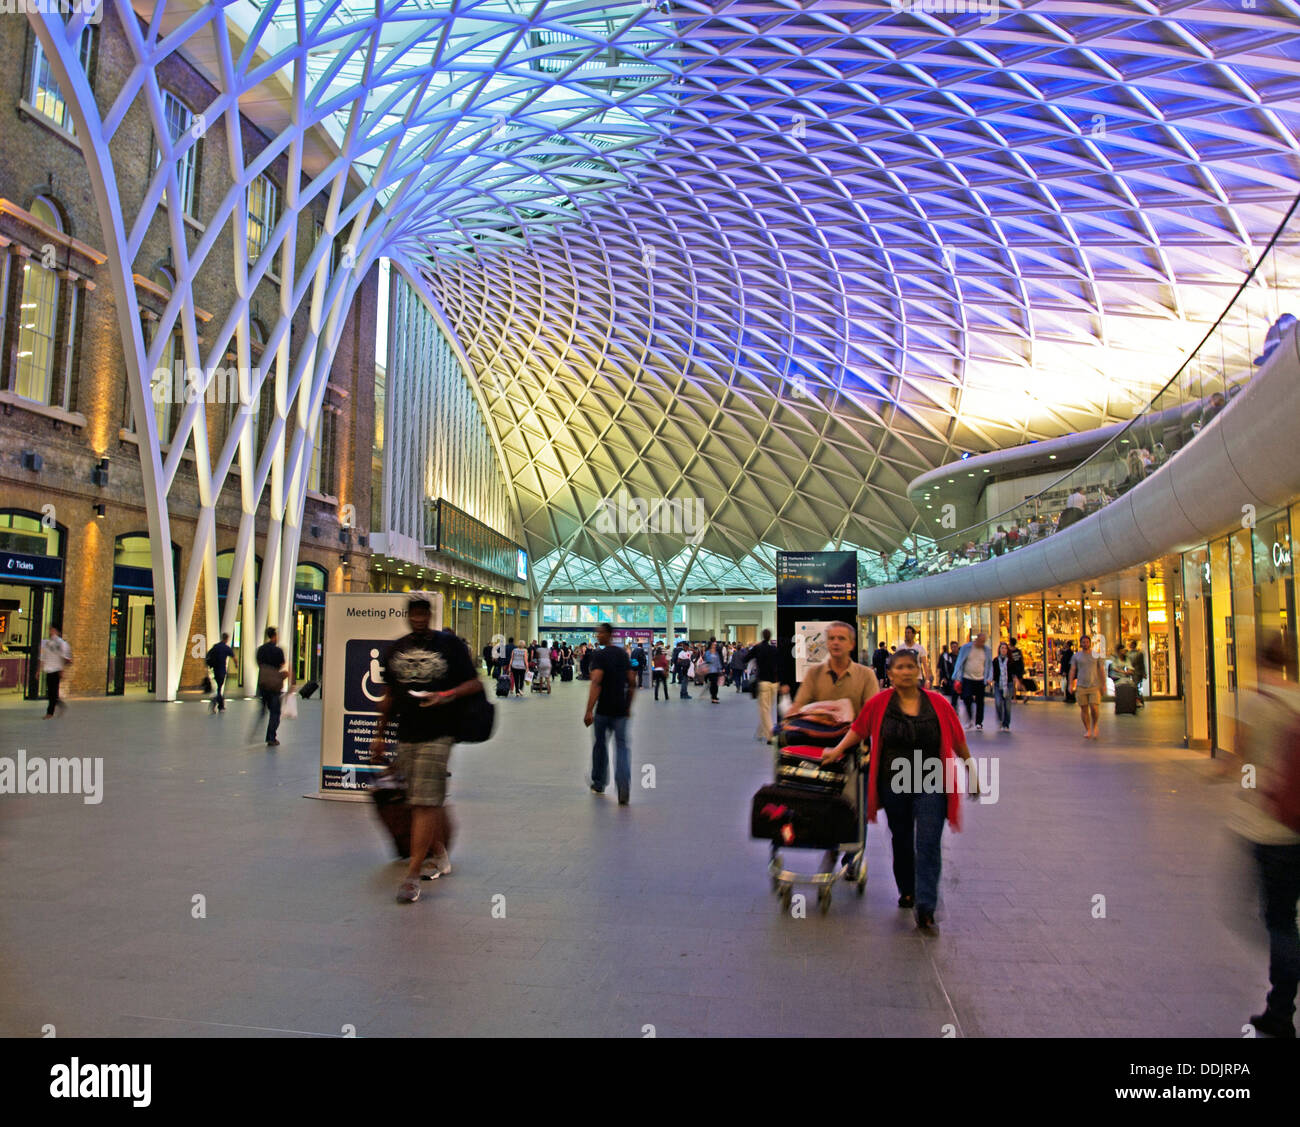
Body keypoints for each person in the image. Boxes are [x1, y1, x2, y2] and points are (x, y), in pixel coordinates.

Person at [823, 649, 972, 930]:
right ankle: (908, 889)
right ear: (889, 674)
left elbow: (957, 739)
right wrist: (837, 750)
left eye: (910, 666)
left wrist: (971, 771)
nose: (905, 671)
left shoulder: (939, 704)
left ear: (918, 671)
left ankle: (926, 905)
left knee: (927, 843)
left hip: (932, 782)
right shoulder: (880, 704)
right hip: (895, 783)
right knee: (902, 840)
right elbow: (859, 729)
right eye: (899, 667)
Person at [370, 596, 482, 904]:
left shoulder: (449, 647)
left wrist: (446, 695)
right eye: (413, 615)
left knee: (425, 802)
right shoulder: (397, 650)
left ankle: (412, 876)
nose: (418, 619)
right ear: (408, 617)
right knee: (415, 799)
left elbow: (475, 684)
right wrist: (380, 736)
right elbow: (389, 695)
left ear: (430, 615)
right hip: (406, 734)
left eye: (423, 614)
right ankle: (440, 854)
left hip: (439, 734)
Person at [1229, 632, 1300, 1038]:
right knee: (1284, 919)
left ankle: (1281, 1008)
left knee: (1277, 920)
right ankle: (1279, 1009)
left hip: (1271, 828)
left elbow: (1241, 762)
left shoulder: (1258, 704)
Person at [585, 622, 636, 805]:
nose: (598, 635)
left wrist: (589, 709)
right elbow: (632, 681)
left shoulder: (600, 655)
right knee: (622, 748)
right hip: (620, 710)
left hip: (604, 711)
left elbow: (596, 682)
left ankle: (599, 783)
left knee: (600, 745)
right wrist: (628, 706)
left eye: (600, 633)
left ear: (608, 634)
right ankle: (623, 785)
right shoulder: (623, 654)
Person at [253, 627, 290, 746]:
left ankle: (263, 713)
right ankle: (271, 736)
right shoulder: (278, 650)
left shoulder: (261, 650)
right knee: (275, 712)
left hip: (263, 683)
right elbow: (282, 664)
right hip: (274, 685)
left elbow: (259, 663)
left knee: (267, 707)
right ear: (274, 636)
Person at [952, 631, 993, 730]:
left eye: (984, 642)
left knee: (980, 702)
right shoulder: (966, 648)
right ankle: (970, 718)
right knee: (967, 698)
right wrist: (956, 676)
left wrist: (989, 678)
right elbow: (959, 661)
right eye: (981, 641)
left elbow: (989, 665)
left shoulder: (986, 650)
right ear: (976, 639)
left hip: (980, 679)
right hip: (967, 678)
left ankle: (979, 722)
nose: (982, 643)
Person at [1069, 634, 1105, 740]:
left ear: (1090, 643)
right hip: (1081, 686)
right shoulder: (1076, 656)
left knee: (1094, 707)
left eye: (1087, 642)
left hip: (1094, 685)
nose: (1085, 644)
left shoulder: (1096, 655)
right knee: (1084, 708)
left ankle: (1095, 725)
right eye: (1083, 642)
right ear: (1081, 644)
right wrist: (1071, 684)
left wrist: (1103, 684)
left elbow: (1101, 670)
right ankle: (1088, 729)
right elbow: (1072, 670)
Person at [751, 628, 780, 741]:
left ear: (762, 636)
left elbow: (745, 658)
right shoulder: (774, 649)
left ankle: (770, 736)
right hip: (774, 683)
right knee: (767, 709)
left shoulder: (758, 648)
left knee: (765, 710)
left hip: (763, 682)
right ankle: (760, 732)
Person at [39, 625, 72, 719]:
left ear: (57, 632)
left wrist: (62, 669)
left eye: (53, 630)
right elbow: (43, 658)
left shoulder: (61, 643)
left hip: (56, 670)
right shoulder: (46, 643)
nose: (51, 632)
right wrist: (39, 670)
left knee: (52, 692)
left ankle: (50, 712)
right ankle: (59, 704)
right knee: (51, 693)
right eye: (50, 630)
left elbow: (66, 658)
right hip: (49, 670)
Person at [991, 641, 1023, 732]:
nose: (1003, 650)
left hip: (1008, 685)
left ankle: (1006, 724)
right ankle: (1000, 720)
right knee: (998, 703)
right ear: (999, 650)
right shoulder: (996, 661)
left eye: (1005, 648)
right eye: (1002, 648)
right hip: (998, 684)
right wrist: (990, 680)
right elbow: (993, 672)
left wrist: (1017, 681)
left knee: (1007, 705)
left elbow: (1013, 672)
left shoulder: (1010, 661)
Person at [206, 632, 234, 713]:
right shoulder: (226, 648)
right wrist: (236, 664)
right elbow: (234, 657)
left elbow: (209, 655)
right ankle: (219, 705)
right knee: (219, 689)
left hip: (215, 670)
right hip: (222, 670)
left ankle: (219, 705)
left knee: (218, 688)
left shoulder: (216, 646)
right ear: (227, 639)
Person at [937, 641, 959, 708]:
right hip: (951, 679)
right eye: (952, 647)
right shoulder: (948, 657)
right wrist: (943, 677)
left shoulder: (960, 657)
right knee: (954, 690)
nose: (954, 648)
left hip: (960, 678)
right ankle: (954, 706)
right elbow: (943, 668)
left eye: (955, 647)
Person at [1127, 639, 1147, 708]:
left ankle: (1138, 700)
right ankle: (1137, 700)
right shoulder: (1128, 654)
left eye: (1131, 644)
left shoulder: (1138, 654)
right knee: (1135, 687)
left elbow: (1142, 664)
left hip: (1137, 673)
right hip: (1134, 673)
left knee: (1136, 687)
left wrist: (1144, 673)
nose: (1130, 645)